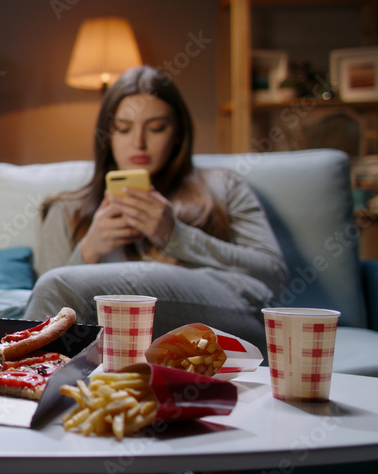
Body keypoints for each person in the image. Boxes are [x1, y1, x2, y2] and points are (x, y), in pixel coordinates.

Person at [25, 65, 289, 349]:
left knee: (60, 286)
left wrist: (177, 237)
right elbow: (47, 302)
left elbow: (273, 275)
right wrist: (89, 250)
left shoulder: (223, 187)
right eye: (123, 129)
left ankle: (18, 379)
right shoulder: (65, 208)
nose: (138, 143)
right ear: (107, 135)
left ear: (178, 134)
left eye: (156, 128)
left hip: (229, 317)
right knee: (58, 287)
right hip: (117, 334)